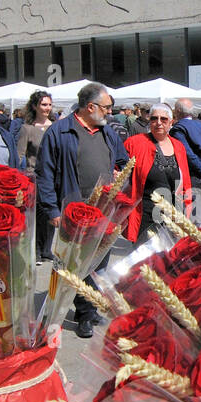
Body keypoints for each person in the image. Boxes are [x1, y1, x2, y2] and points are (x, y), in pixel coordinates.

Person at [36, 83, 128, 339]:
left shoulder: (107, 133)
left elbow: (122, 160)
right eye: (107, 107)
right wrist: (52, 209)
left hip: (104, 212)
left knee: (99, 264)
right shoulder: (60, 132)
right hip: (74, 211)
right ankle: (84, 313)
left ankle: (91, 305)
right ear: (91, 107)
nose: (110, 112)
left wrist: (121, 176)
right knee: (77, 265)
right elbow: (44, 173)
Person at [122, 103, 191, 243]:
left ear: (171, 122)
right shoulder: (134, 143)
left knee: (167, 261)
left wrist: (186, 210)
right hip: (144, 215)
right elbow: (120, 170)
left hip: (171, 215)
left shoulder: (178, 146)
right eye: (154, 118)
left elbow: (185, 181)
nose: (158, 123)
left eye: (163, 119)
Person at [170, 98, 201, 203]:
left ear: (177, 110)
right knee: (198, 213)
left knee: (188, 214)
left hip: (191, 177)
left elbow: (187, 154)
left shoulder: (178, 129)